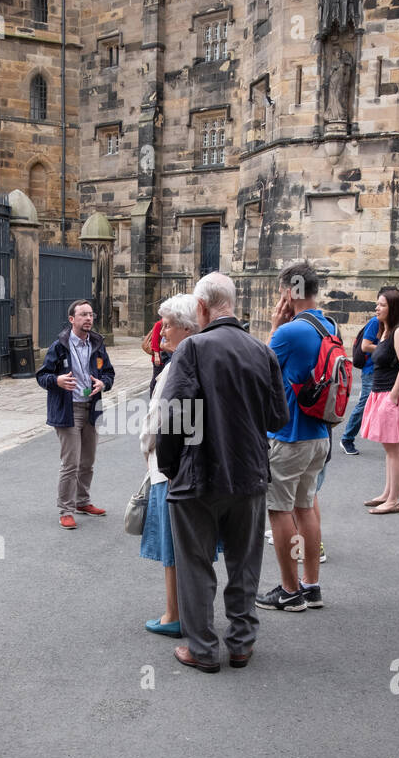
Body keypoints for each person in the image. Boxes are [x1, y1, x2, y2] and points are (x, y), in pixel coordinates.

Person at [156, 272, 287, 673]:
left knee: (196, 565)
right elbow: (277, 417)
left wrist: (170, 467)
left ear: (201, 307)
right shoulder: (261, 350)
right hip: (248, 474)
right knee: (244, 562)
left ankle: (202, 648)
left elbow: (174, 416)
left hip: (199, 476)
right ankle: (242, 643)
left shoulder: (193, 348)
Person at [139, 294, 219, 637]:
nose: (162, 332)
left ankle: (175, 615)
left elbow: (158, 424)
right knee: (196, 547)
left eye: (168, 325)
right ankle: (194, 613)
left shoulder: (176, 367)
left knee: (173, 548)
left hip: (170, 468)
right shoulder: (209, 358)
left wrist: (148, 452)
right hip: (203, 466)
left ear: (187, 328)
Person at [257, 261, 334, 612]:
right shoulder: (327, 325)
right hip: (319, 433)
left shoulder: (289, 332)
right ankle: (311, 586)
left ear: (290, 291)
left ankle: (289, 591)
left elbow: (260, 372)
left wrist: (275, 327)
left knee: (280, 511)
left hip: (289, 436)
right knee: (306, 508)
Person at [36, 300, 115, 529]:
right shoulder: (59, 346)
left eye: (91, 314)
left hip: (92, 408)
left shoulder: (98, 344)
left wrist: (103, 383)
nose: (88, 318)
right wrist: (57, 380)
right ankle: (66, 509)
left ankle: (83, 501)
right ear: (72, 319)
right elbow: (42, 376)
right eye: (83, 315)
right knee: (71, 463)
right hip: (69, 411)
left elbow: (108, 372)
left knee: (88, 461)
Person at [359, 287, 399, 514]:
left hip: (394, 394)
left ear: (393, 308)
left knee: (395, 450)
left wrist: (393, 398)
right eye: (377, 304)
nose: (377, 308)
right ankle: (387, 493)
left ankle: (393, 500)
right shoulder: (386, 331)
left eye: (382, 305)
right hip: (384, 392)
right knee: (390, 449)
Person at [340, 310, 380, 456]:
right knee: (365, 404)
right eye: (379, 304)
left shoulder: (396, 323)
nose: (378, 308)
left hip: (388, 370)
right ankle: (347, 439)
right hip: (372, 370)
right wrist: (388, 347)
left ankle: (398, 446)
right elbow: (365, 346)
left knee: (394, 406)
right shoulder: (376, 322)